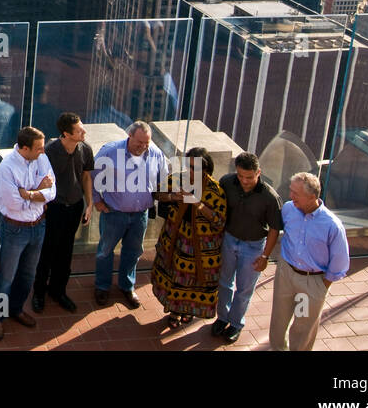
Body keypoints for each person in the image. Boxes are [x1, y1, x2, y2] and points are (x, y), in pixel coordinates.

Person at [0, 126, 54, 341]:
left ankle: (15, 309)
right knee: (6, 276)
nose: (43, 152)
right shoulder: (6, 168)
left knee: (28, 274)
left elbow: (51, 191)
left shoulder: (41, 159)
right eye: (39, 149)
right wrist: (38, 193)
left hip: (39, 226)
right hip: (15, 228)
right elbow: (13, 204)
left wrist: (29, 193)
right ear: (25, 148)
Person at [268, 172, 349, 351]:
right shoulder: (289, 209)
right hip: (286, 275)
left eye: (296, 193)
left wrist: (320, 286)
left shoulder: (331, 225)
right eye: (291, 191)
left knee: (302, 326)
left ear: (312, 197)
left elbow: (339, 262)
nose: (291, 196)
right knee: (279, 321)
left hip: (310, 283)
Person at [92, 121, 169, 309]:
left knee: (133, 252)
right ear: (130, 137)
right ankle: (102, 287)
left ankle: (127, 286)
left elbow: (163, 180)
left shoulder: (156, 154)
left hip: (140, 215)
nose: (142, 147)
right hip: (113, 213)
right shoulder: (109, 152)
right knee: (105, 251)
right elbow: (93, 176)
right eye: (139, 143)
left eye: (146, 143)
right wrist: (97, 200)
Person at [151, 146, 227, 327]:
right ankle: (175, 310)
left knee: (194, 280)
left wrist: (197, 203)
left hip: (200, 244)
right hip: (176, 237)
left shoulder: (215, 191)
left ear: (206, 169)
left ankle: (189, 310)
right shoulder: (178, 179)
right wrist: (172, 197)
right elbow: (157, 194)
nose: (191, 171)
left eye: (195, 168)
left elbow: (219, 221)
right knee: (175, 276)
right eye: (189, 166)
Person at [213, 151, 283, 344]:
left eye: (249, 177)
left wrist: (265, 256)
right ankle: (222, 318)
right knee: (224, 282)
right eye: (241, 176)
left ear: (258, 172)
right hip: (228, 239)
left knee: (244, 288)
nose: (244, 181)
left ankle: (236, 323)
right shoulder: (227, 182)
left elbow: (275, 229)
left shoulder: (270, 196)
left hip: (253, 246)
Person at [33, 112, 94, 313]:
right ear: (66, 134)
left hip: (74, 206)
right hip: (54, 207)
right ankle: (39, 293)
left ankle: (58, 291)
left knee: (66, 251)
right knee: (47, 251)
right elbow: (39, 179)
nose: (83, 131)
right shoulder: (49, 151)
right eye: (79, 130)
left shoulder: (85, 149)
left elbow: (86, 177)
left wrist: (89, 203)